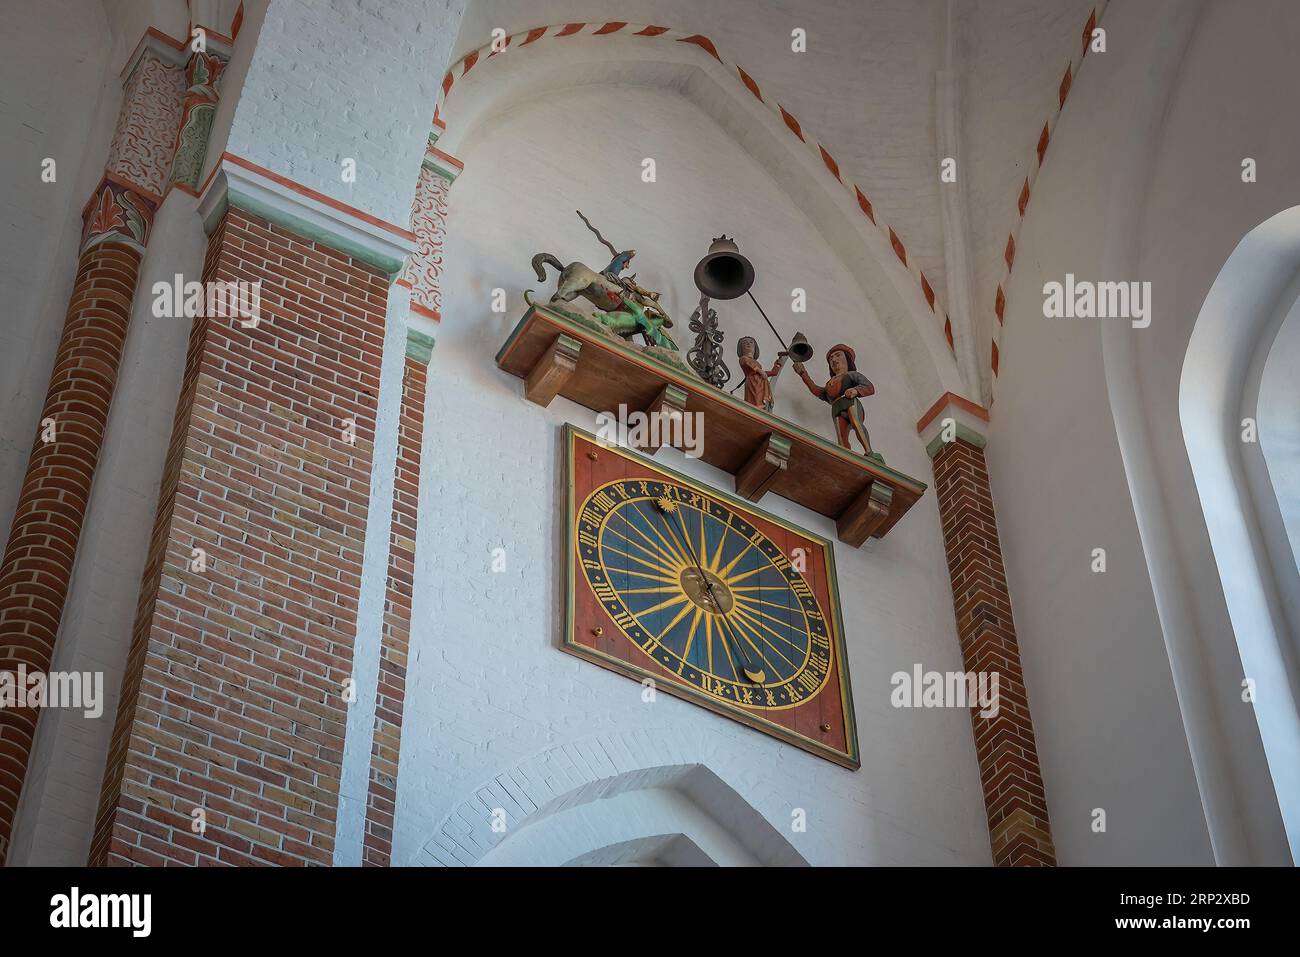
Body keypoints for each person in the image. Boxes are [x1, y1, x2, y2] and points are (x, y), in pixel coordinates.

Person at [793, 343, 875, 455]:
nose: (834, 360)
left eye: (838, 355)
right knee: (841, 437)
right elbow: (817, 391)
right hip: (836, 406)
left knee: (857, 424)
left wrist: (855, 390)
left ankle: (869, 452)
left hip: (850, 402)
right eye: (831, 358)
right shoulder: (829, 383)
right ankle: (846, 456)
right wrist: (803, 373)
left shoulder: (852, 374)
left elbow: (869, 387)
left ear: (847, 358)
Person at [736, 336, 787, 412]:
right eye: (745, 342)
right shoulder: (743, 358)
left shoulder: (757, 367)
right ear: (741, 348)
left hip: (761, 384)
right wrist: (759, 370)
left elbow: (773, 373)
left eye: (751, 342)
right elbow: (747, 363)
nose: (748, 344)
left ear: (755, 348)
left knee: (763, 403)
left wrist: (779, 363)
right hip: (753, 383)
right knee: (755, 400)